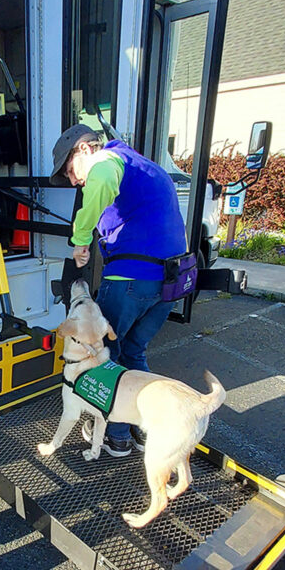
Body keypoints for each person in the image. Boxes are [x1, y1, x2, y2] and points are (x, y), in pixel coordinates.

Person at [50, 123, 187, 458]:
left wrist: (81, 239)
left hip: (131, 279)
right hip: (169, 282)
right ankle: (146, 430)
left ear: (85, 149)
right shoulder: (145, 166)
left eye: (70, 171)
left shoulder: (105, 162)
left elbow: (101, 183)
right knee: (134, 352)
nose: (74, 181)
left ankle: (117, 435)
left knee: (103, 356)